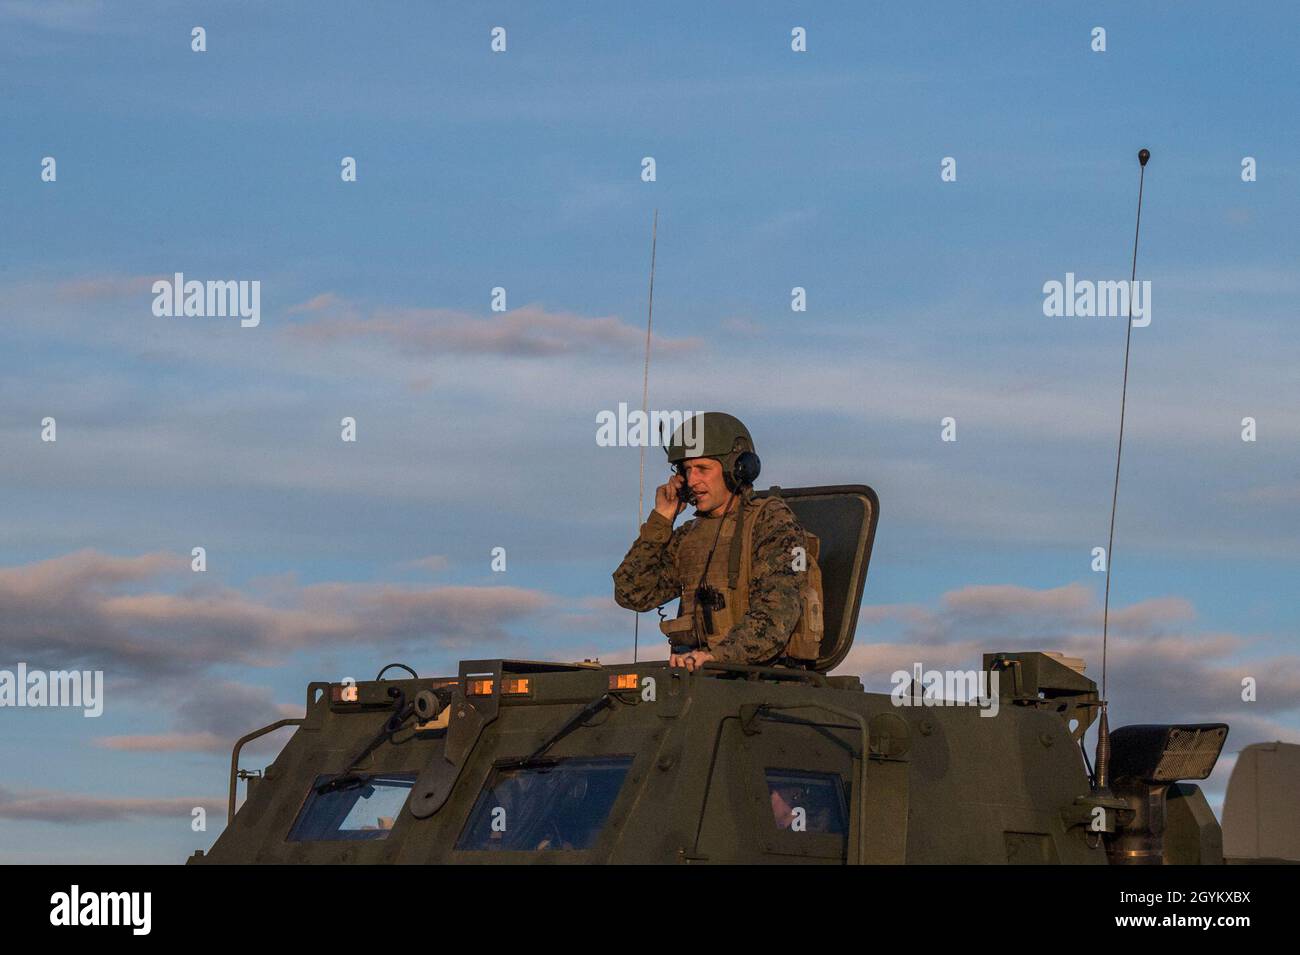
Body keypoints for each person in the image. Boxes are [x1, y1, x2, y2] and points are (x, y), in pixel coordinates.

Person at [612, 412, 820, 671]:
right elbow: (631, 594)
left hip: (762, 678)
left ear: (738, 469)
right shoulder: (691, 535)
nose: (692, 480)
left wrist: (719, 656)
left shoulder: (771, 521)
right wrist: (661, 521)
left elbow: (777, 613)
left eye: (702, 469)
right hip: (705, 677)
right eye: (687, 470)